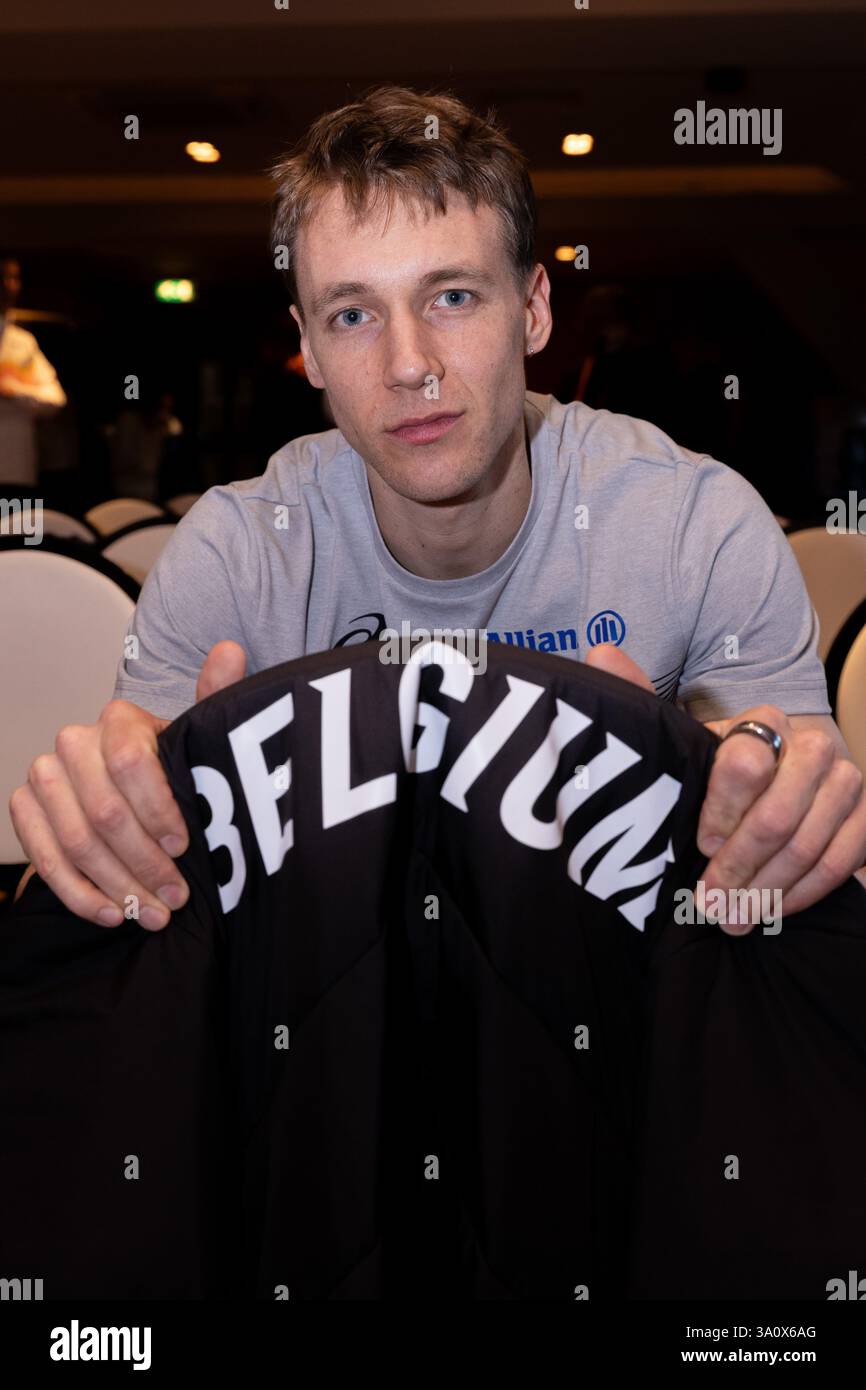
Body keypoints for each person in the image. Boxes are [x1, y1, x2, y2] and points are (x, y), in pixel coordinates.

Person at [9, 85, 866, 935]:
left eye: (451, 297)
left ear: (533, 311)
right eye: (352, 314)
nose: (409, 364)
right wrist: (103, 826)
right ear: (306, 348)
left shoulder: (696, 524)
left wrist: (771, 793)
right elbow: (138, 862)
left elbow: (791, 822)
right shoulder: (238, 552)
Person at [0, 255, 66, 487]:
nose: (8, 285)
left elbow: (55, 399)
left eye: (13, 278)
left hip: (18, 471)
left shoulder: (23, 342)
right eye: (3, 277)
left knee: (23, 522)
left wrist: (13, 390)